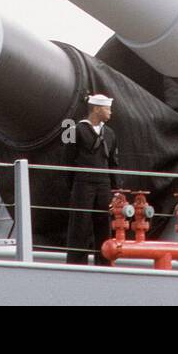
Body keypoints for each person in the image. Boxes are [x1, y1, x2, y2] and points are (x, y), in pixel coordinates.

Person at [63, 93, 121, 266]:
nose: (110, 112)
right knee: (79, 224)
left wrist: (116, 188)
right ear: (96, 109)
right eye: (107, 108)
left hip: (103, 184)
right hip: (83, 183)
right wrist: (72, 185)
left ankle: (103, 261)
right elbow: (67, 160)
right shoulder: (72, 129)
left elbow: (113, 162)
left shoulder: (110, 133)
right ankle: (75, 262)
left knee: (103, 224)